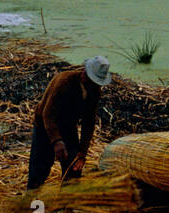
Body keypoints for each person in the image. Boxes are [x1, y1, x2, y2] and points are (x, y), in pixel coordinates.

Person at [27, 56, 111, 190]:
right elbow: (48, 114)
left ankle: (66, 206)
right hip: (45, 125)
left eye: (96, 83)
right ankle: (32, 203)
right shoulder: (64, 81)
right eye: (91, 80)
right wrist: (57, 141)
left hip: (68, 126)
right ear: (84, 73)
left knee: (74, 167)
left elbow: (88, 123)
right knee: (39, 168)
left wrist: (82, 153)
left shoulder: (94, 91)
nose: (94, 85)